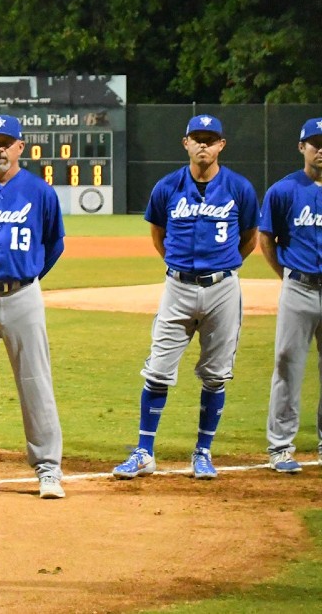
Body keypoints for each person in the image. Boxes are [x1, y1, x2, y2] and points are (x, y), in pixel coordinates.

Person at [113, 114, 258, 480]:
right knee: (158, 371)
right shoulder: (167, 187)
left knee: (216, 375)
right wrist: (180, 268)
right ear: (186, 143)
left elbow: (250, 236)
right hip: (177, 287)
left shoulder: (240, 188)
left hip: (223, 288)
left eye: (211, 139)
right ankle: (144, 452)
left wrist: (225, 266)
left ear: (222, 145)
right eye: (198, 138)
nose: (204, 145)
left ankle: (203, 452)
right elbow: (158, 234)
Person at [0, 114, 67, 499]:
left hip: (24, 296)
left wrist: (29, 277)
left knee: (36, 383)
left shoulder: (40, 192)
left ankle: (48, 469)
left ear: (21, 147)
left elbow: (54, 244)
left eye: (7, 142)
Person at [258, 117, 322, 475]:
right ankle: (281, 447)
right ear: (302, 147)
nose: (321, 148)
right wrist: (287, 276)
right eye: (315, 142)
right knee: (287, 363)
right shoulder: (283, 191)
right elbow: (268, 238)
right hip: (298, 286)